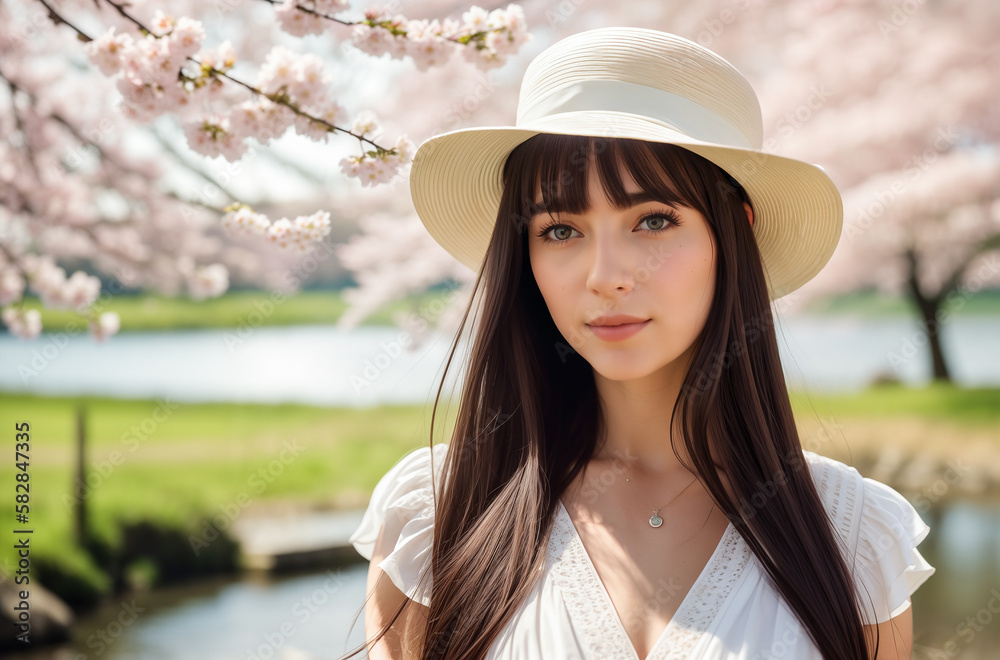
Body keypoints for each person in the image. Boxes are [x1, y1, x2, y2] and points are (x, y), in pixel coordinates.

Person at [346, 27, 935, 660]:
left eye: (654, 220)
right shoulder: (439, 512)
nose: (604, 276)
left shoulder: (851, 534)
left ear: (734, 233)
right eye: (562, 228)